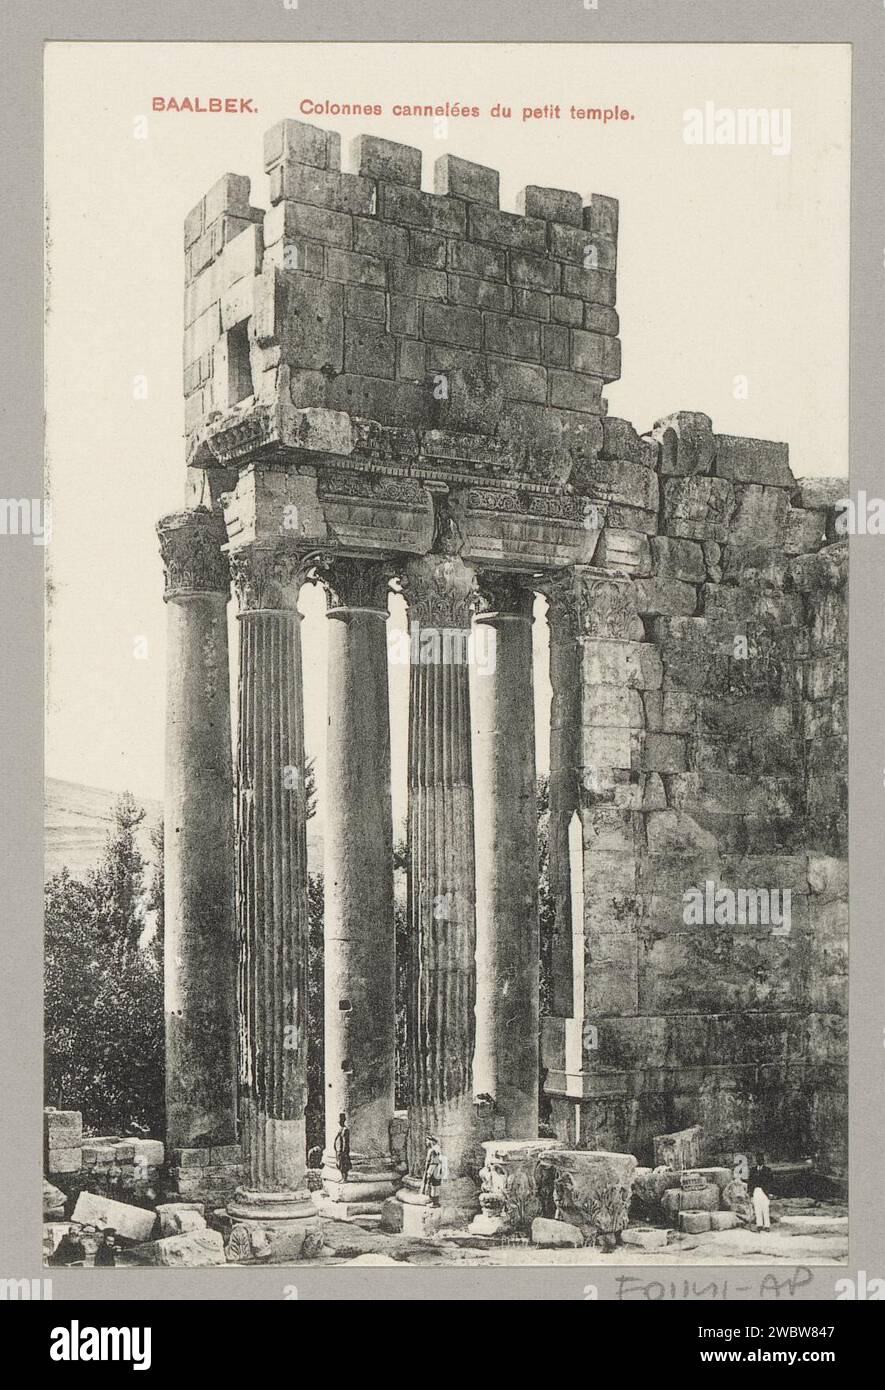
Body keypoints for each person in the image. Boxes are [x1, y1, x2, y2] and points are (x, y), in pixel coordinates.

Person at [748, 1153, 774, 1231]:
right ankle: (759, 1225)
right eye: (758, 1159)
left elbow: (771, 1182)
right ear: (756, 1161)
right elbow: (750, 1182)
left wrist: (770, 1193)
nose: (759, 1161)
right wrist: (750, 1192)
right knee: (757, 1208)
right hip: (756, 1190)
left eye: (761, 1159)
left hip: (765, 1191)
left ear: (763, 1160)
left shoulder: (767, 1170)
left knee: (765, 1208)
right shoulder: (752, 1170)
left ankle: (767, 1226)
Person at [421, 1134, 444, 1207]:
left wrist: (429, 1173)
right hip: (436, 1170)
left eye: (427, 1141)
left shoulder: (433, 1150)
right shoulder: (434, 1150)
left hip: (434, 1171)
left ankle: (435, 1203)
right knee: (434, 1186)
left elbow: (434, 1162)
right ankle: (434, 1201)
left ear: (431, 1141)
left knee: (434, 1187)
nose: (426, 1142)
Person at [333, 1112, 351, 1183]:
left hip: (342, 1151)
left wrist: (344, 1151)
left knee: (344, 1165)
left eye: (340, 1120)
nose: (339, 1122)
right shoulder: (340, 1129)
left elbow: (345, 1141)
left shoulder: (345, 1130)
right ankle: (342, 1177)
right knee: (339, 1164)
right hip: (338, 1150)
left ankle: (344, 1178)